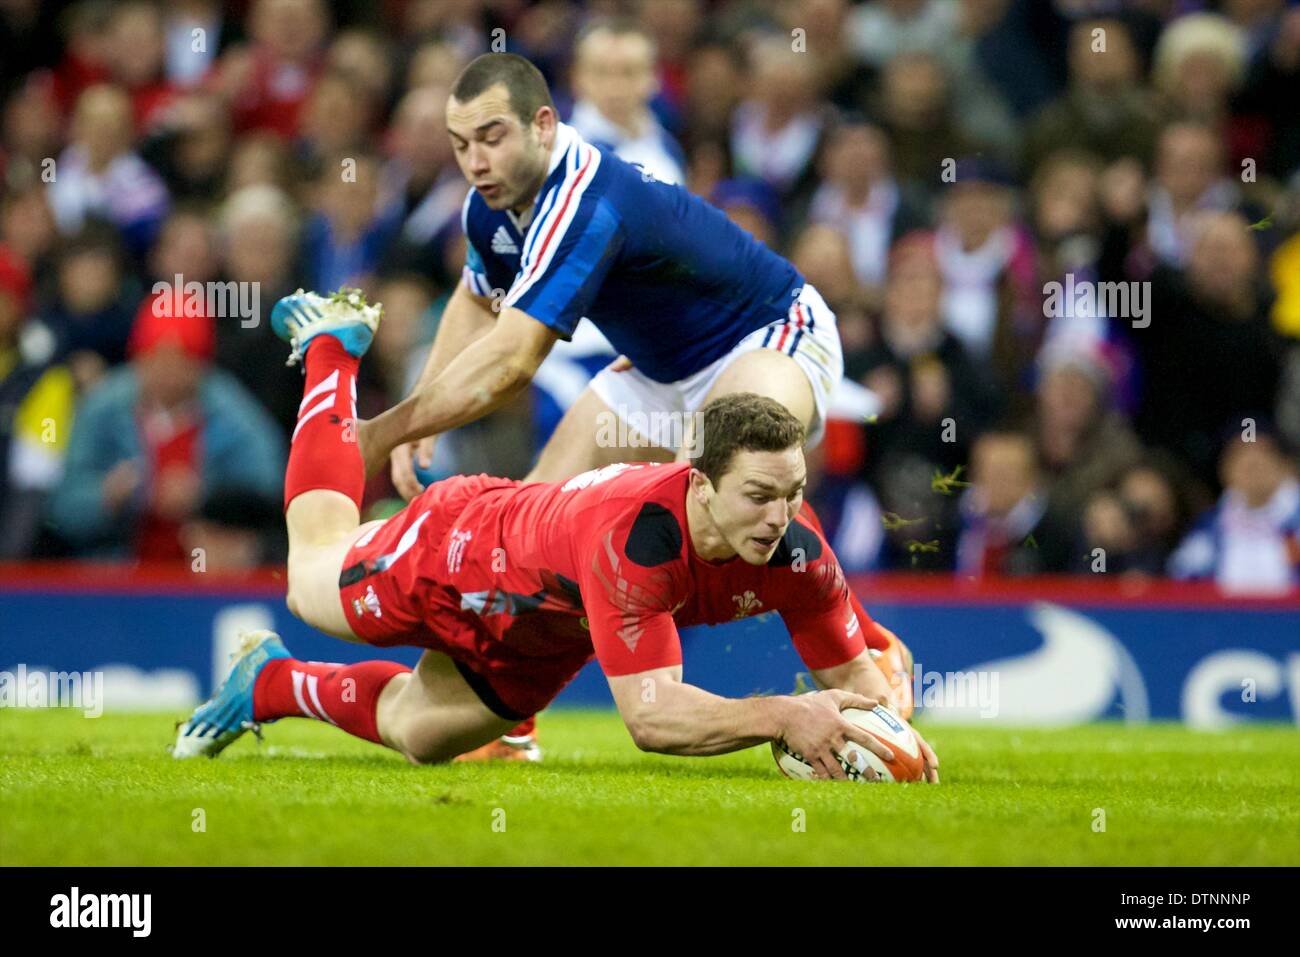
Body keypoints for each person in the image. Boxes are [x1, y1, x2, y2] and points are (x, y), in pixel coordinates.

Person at [173, 291, 936, 783]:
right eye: (759, 496)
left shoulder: (797, 549)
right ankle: (332, 352)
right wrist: (786, 714)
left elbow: (858, 677)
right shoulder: (638, 539)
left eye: (792, 493)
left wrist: (887, 739)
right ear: (701, 484)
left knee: (421, 734)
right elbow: (653, 716)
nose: (779, 516)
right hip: (466, 552)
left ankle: (269, 683)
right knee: (309, 573)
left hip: (550, 631)